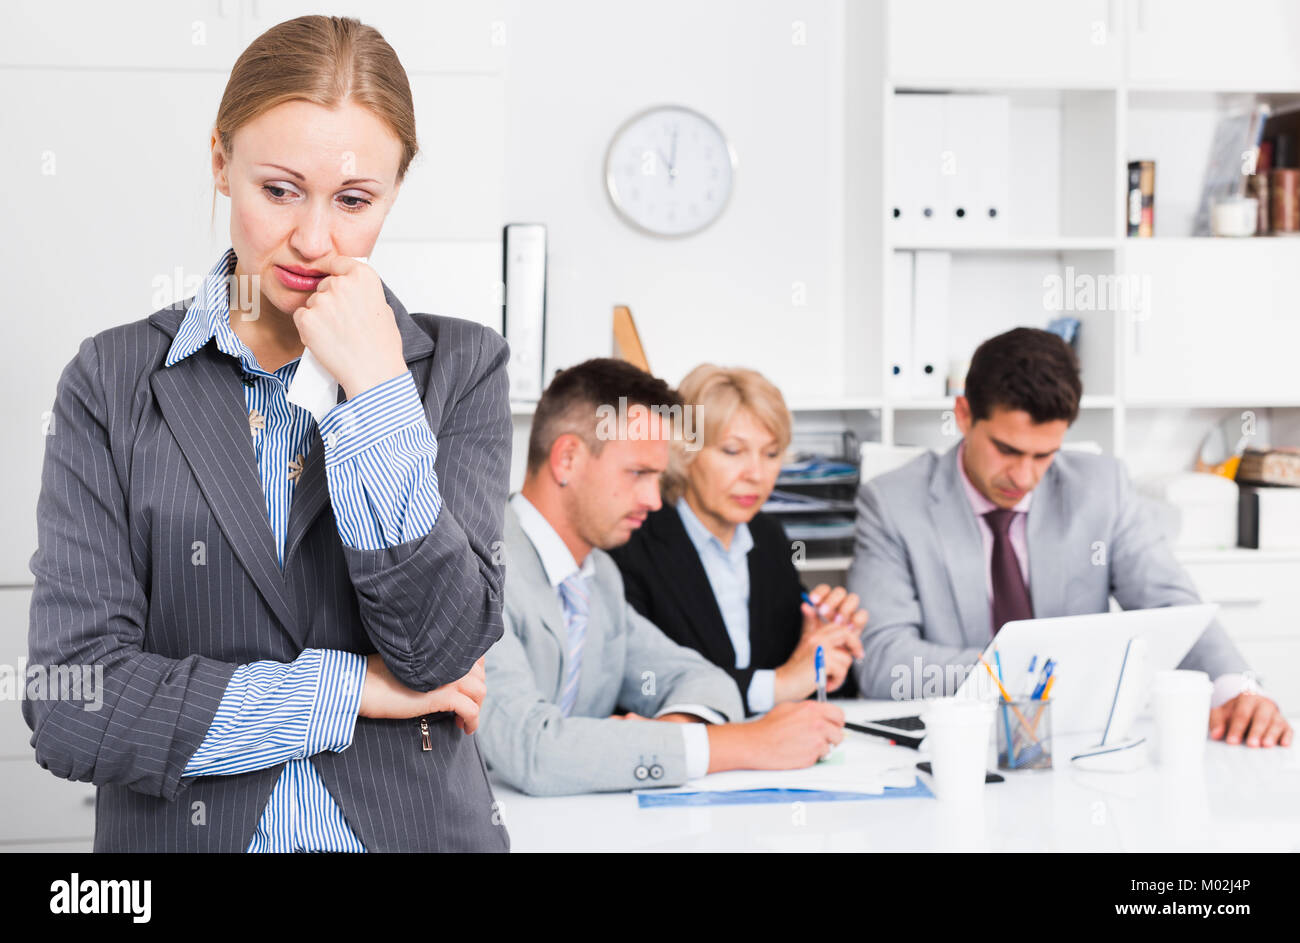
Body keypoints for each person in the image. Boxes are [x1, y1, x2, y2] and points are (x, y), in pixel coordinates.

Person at [25, 15, 511, 852]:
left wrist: (377, 392)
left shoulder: (461, 367)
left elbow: (435, 650)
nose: (315, 241)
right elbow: (72, 704)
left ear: (395, 190)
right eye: (279, 190)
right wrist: (345, 690)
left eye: (355, 200)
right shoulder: (111, 380)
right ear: (221, 163)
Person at [848, 327, 1292, 749]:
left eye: (1044, 455)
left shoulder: (1102, 488)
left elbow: (1173, 607)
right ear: (963, 416)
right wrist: (1042, 668)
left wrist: (1239, 688)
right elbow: (885, 661)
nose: (1023, 477)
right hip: (956, 745)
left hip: (1077, 741)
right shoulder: (892, 504)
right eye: (1007, 450)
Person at [480, 359, 846, 796]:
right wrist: (744, 744)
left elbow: (708, 683)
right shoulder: (479, 567)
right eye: (638, 473)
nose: (655, 500)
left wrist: (670, 736)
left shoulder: (600, 579)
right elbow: (532, 750)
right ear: (568, 459)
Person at [610, 363, 866, 715]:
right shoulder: (633, 540)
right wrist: (781, 683)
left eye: (772, 454)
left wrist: (820, 645)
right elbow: (638, 685)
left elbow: (805, 680)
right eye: (733, 451)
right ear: (685, 450)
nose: (756, 474)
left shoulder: (768, 537)